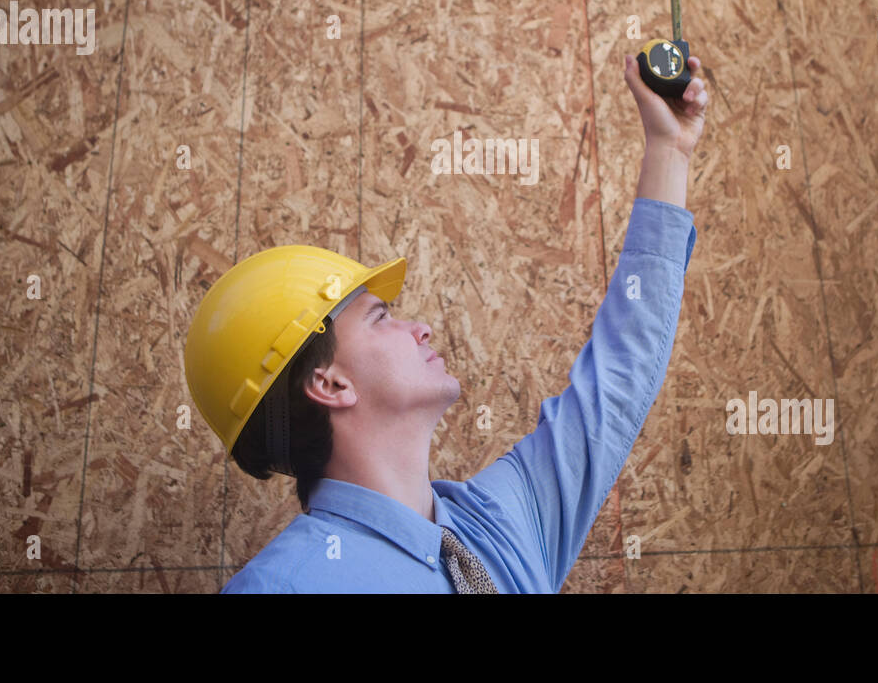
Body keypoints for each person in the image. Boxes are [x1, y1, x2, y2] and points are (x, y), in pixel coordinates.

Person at [184, 53, 709, 592]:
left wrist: (668, 150)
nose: (421, 328)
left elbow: (618, 380)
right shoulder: (286, 587)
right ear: (330, 382)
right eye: (381, 316)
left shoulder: (501, 521)